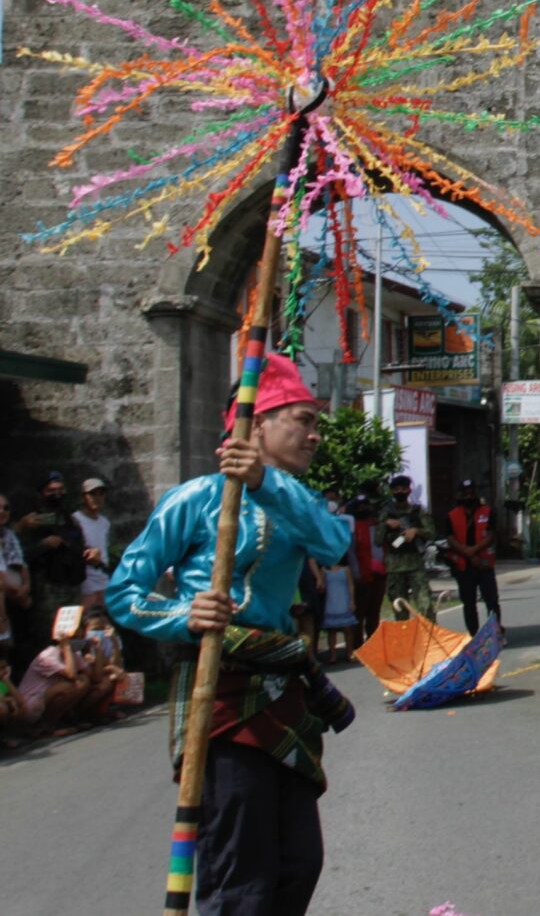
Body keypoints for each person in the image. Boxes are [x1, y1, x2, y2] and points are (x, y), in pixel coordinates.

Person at [107, 354, 355, 916]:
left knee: (299, 861)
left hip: (283, 692)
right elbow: (125, 592)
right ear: (256, 425)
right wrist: (185, 616)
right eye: (303, 420)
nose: (315, 434)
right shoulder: (195, 499)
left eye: (315, 423)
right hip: (220, 690)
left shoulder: (293, 499)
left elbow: (333, 544)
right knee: (240, 872)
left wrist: (265, 482)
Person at [16, 472, 84, 659]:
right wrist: (43, 545)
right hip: (47, 587)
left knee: (73, 636)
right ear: (42, 493)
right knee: (48, 638)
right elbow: (18, 556)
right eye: (51, 490)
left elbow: (79, 545)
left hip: (71, 584)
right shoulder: (32, 521)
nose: (57, 494)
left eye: (60, 489)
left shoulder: (70, 518)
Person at [443, 479, 500, 634]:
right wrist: (466, 552)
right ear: (460, 495)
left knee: (492, 601)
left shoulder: (488, 512)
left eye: (471, 492)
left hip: (484, 564)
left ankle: (495, 632)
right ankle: (474, 634)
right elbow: (450, 538)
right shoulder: (451, 515)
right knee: (469, 602)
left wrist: (474, 550)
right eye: (465, 493)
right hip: (463, 565)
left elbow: (491, 535)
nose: (469, 496)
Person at [380, 476, 434, 622]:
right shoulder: (386, 512)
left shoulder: (417, 511)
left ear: (409, 490)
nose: (400, 492)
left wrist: (415, 531)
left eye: (403, 488)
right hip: (395, 566)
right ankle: (406, 641)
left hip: (415, 564)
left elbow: (431, 532)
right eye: (396, 489)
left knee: (425, 606)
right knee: (400, 610)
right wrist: (386, 524)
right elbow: (378, 540)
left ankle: (431, 639)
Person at [348, 493, 386, 644]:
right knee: (359, 612)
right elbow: (351, 552)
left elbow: (384, 547)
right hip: (362, 576)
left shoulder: (377, 526)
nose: (364, 509)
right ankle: (358, 644)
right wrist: (357, 574)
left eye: (366, 505)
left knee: (374, 611)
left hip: (380, 574)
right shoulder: (353, 527)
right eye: (360, 506)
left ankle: (373, 642)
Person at [74, 477, 115, 612]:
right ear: (84, 497)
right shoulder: (76, 519)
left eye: (101, 493)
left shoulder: (104, 522)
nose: (97, 498)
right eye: (92, 494)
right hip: (85, 577)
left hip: (102, 576)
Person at [0, 494, 29, 677]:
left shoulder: (8, 535)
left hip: (13, 599)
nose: (2, 511)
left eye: (6, 508)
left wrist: (26, 587)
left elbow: (22, 565)